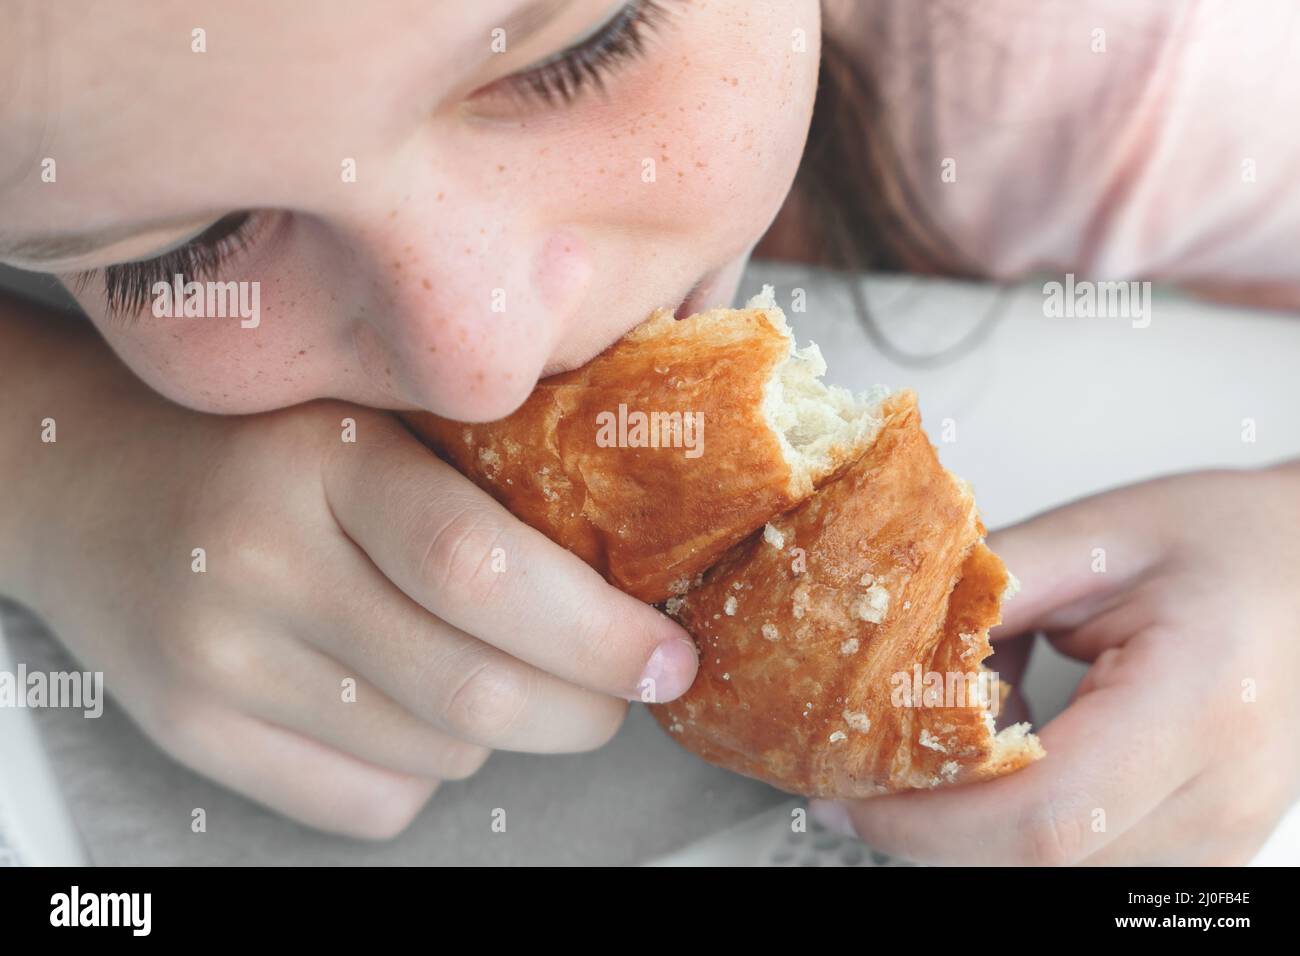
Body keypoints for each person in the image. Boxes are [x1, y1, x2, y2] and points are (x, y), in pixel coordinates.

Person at [0, 0, 1295, 864]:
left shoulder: (1081, 68)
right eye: (182, 251)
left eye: (581, 51)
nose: (484, 353)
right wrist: (57, 474)